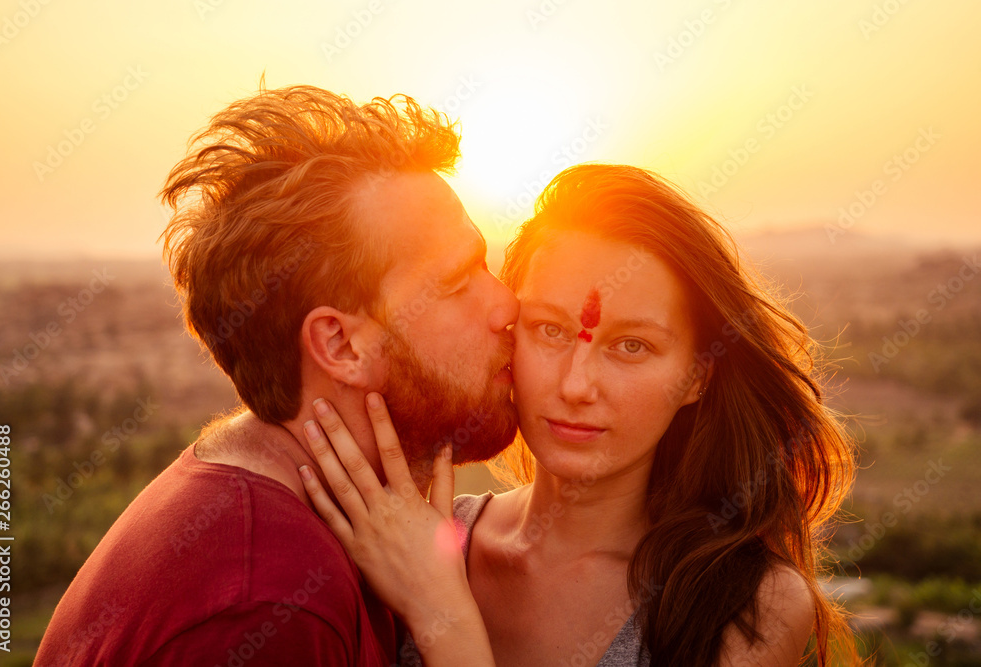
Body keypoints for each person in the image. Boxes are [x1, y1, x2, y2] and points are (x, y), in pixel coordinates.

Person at [299, 164, 862, 666]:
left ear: (698, 375)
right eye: (550, 330)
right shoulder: (413, 539)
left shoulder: (745, 605)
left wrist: (442, 616)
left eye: (632, 346)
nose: (575, 386)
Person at [34, 85, 518, 666]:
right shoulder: (266, 604)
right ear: (338, 344)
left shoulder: (325, 528)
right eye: (460, 280)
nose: (507, 305)